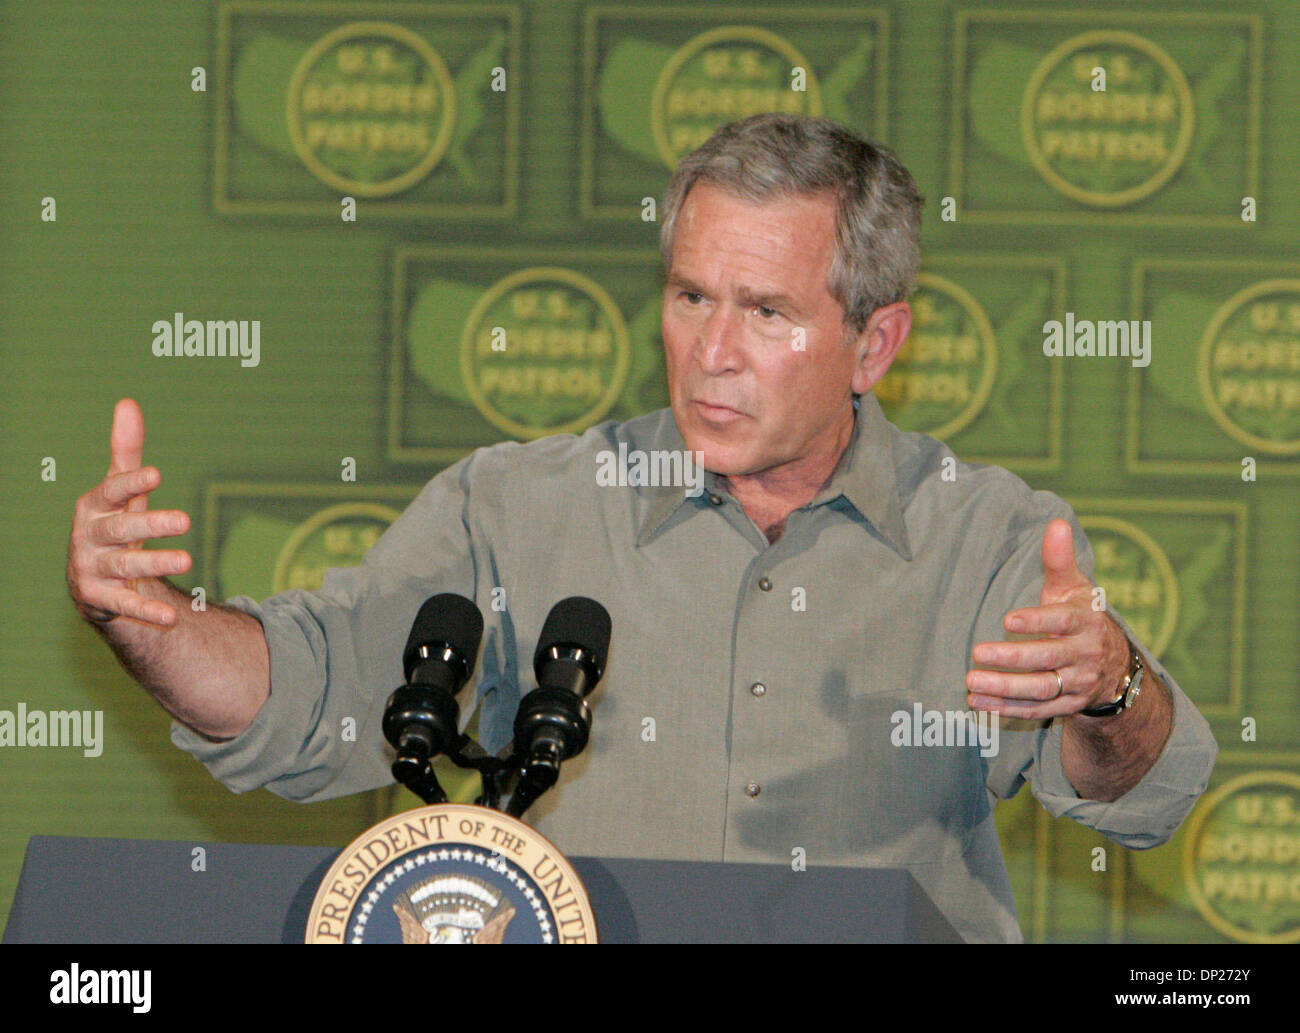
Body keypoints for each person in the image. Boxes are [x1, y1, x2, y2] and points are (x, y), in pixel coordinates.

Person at [66, 114, 1216, 942]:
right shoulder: (512, 507)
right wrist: (154, 623)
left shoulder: (987, 531)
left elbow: (1136, 795)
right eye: (689, 296)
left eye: (764, 311)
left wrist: (1108, 686)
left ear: (874, 345)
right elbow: (309, 699)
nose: (710, 351)